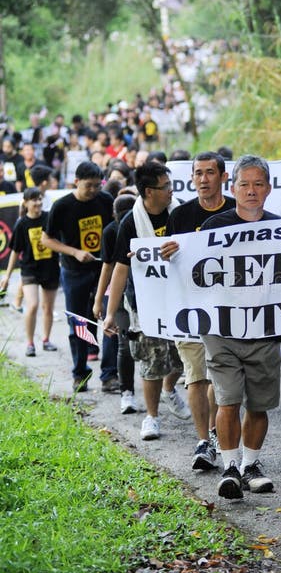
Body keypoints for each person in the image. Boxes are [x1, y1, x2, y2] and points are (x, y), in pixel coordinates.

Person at [200, 155, 281, 499]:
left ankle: (251, 465)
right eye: (244, 184)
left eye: (258, 184)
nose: (251, 191)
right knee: (228, 400)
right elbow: (191, 269)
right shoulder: (213, 228)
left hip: (264, 328)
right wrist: (167, 254)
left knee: (259, 404)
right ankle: (230, 467)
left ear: (269, 188)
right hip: (222, 328)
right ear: (232, 188)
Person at [102, 162, 191, 439]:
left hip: (180, 298)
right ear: (149, 191)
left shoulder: (181, 213)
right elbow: (119, 268)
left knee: (182, 359)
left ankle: (169, 389)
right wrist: (108, 312)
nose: (170, 191)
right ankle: (151, 418)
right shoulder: (130, 222)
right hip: (144, 303)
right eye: (165, 187)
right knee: (151, 362)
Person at [160, 151, 236, 472]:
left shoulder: (237, 209)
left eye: (209, 172)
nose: (203, 179)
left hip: (228, 307)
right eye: (197, 174)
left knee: (220, 375)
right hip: (190, 305)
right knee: (195, 375)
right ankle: (203, 441)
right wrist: (165, 253)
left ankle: (221, 435)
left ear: (222, 176)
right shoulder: (179, 215)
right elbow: (168, 259)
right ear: (191, 178)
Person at [41, 161, 114, 391]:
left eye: (97, 185)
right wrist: (74, 252)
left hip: (103, 269)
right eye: (88, 186)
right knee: (79, 322)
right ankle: (80, 373)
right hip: (74, 272)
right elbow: (47, 239)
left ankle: (110, 375)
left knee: (111, 319)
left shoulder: (105, 201)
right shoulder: (62, 206)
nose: (93, 190)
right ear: (76, 182)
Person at [0, 188, 60, 357]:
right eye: (34, 200)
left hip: (50, 268)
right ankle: (30, 343)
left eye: (39, 199)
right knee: (32, 305)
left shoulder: (49, 218)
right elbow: (14, 251)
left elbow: (59, 240)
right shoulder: (21, 223)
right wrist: (8, 275)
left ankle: (46, 340)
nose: (38, 203)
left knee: (48, 307)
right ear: (25, 203)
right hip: (29, 269)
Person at [92, 193, 138, 407]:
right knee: (124, 342)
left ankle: (131, 389)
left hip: (141, 292)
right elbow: (108, 266)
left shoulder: (141, 226)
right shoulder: (111, 231)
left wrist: (99, 299)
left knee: (131, 343)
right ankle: (125, 390)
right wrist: (100, 298)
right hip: (118, 293)